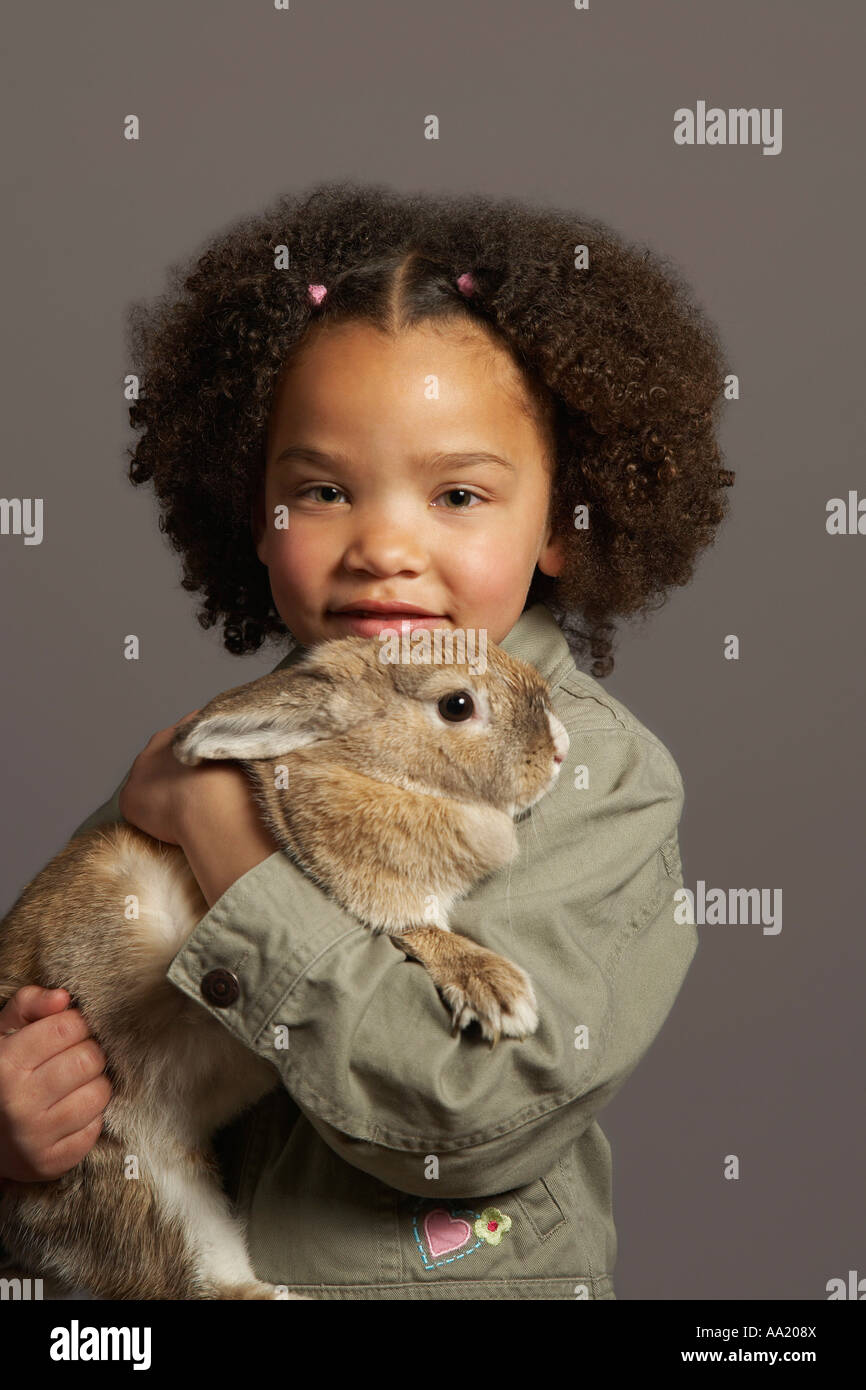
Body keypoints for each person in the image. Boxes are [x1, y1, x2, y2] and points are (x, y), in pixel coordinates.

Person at [0, 180, 733, 1299]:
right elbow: (55, 983)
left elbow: (466, 1110)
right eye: (327, 489)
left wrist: (219, 831)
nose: (384, 545)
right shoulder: (226, 736)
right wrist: (13, 1132)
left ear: (562, 518)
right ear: (255, 510)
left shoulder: (601, 780)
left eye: (455, 494)